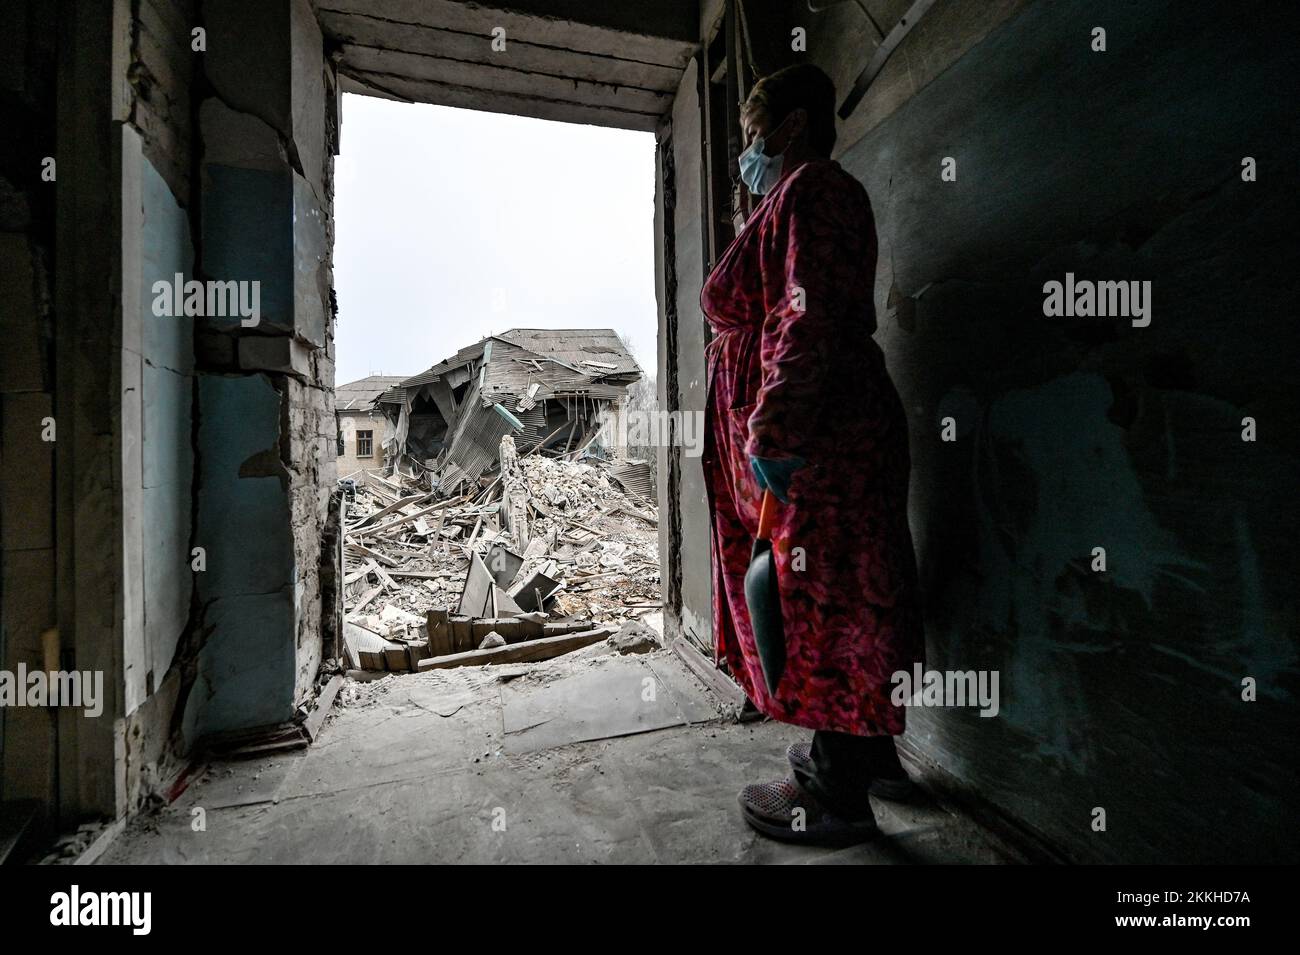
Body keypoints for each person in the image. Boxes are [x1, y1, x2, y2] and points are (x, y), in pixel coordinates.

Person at [699, 63, 925, 845]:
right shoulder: (790, 201)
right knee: (847, 591)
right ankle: (867, 751)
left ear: (790, 127)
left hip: (819, 438)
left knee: (824, 599)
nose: (746, 154)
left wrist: (776, 427)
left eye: (752, 135)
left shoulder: (814, 189)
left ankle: (834, 791)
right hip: (823, 433)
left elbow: (810, 313)